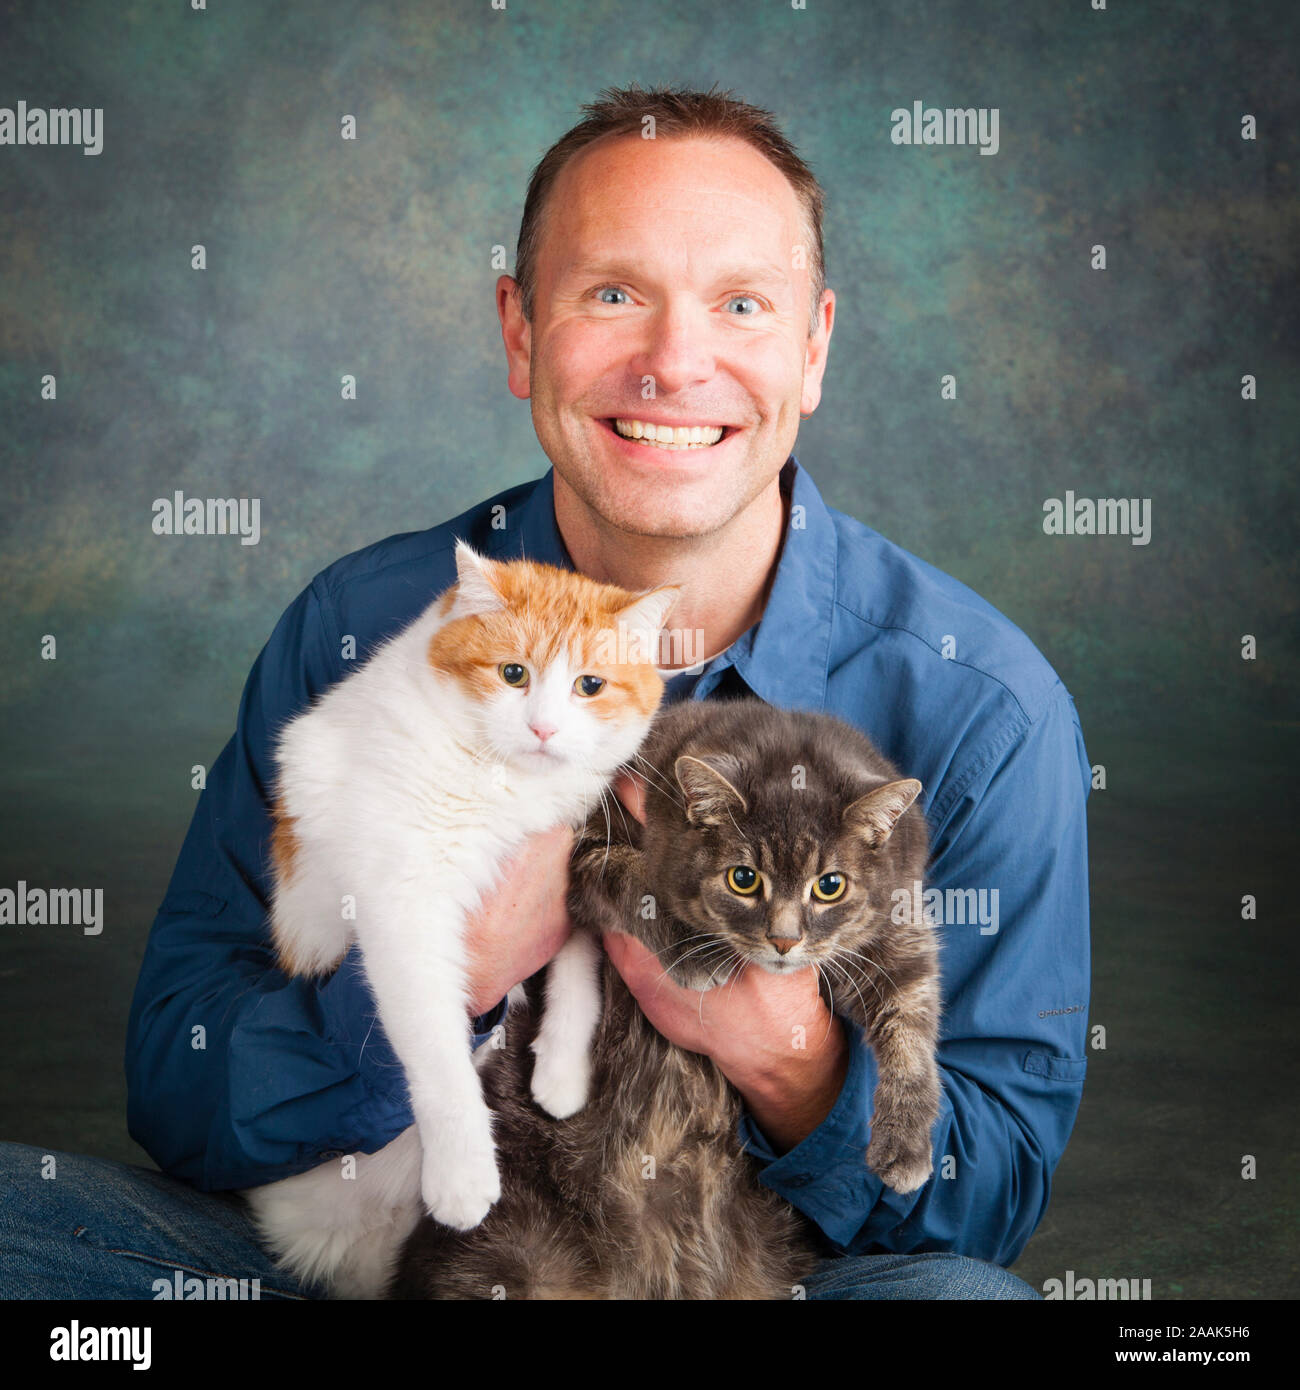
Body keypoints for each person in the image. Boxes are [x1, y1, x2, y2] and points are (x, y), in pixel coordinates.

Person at [0, 85, 1089, 1301]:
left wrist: (791, 1059)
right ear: (521, 330)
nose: (676, 364)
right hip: (401, 1250)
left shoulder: (985, 710)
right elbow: (178, 1077)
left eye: (741, 304)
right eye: (612, 294)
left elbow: (983, 1194)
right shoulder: (367, 628)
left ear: (813, 346)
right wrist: (439, 980)